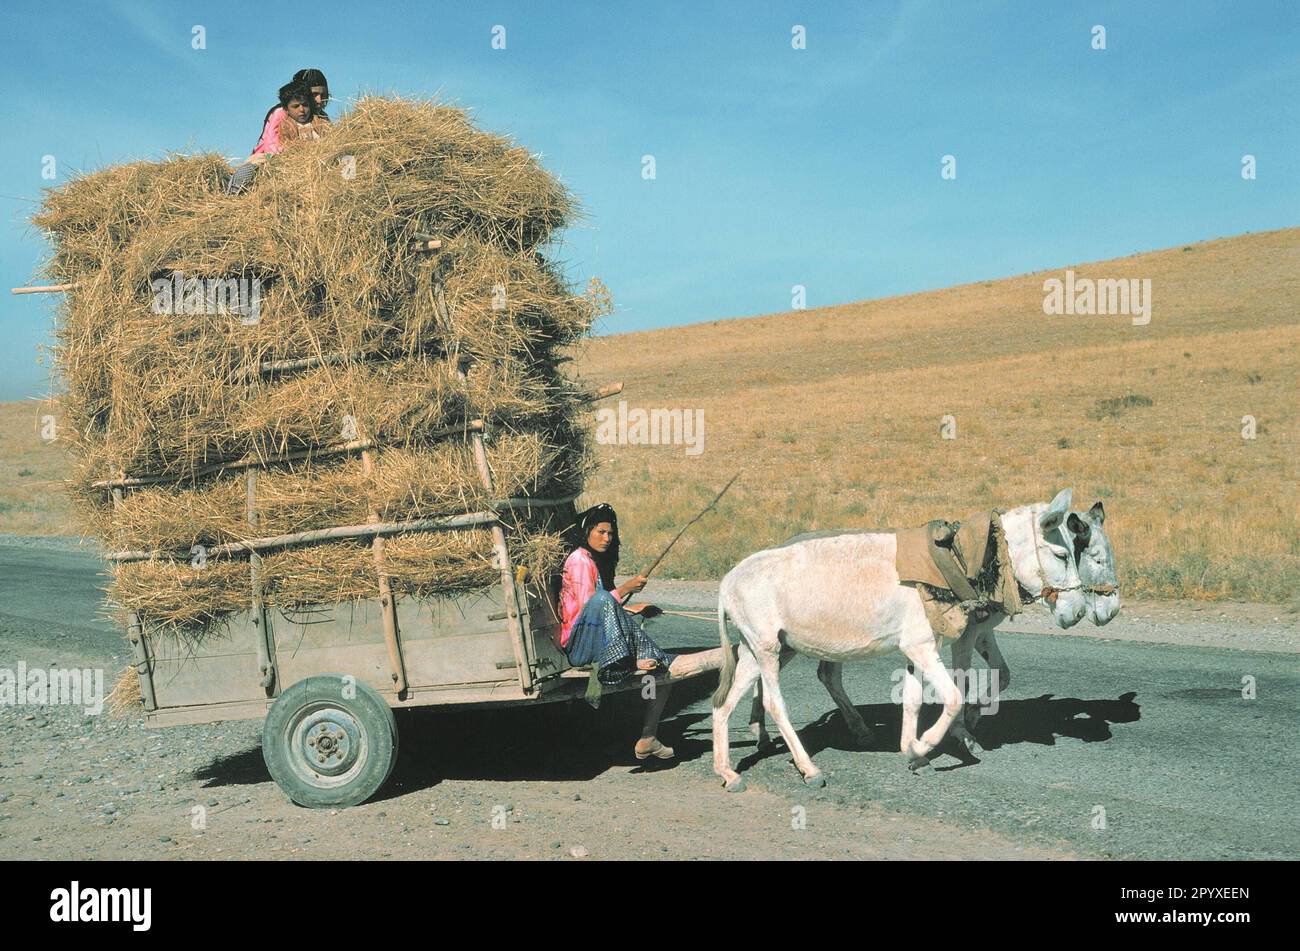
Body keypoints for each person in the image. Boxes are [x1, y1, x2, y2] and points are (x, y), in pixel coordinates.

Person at [557, 503, 677, 761]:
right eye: (600, 532)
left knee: (661, 671)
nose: (606, 538)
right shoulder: (579, 560)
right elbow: (590, 610)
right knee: (602, 599)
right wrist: (624, 589)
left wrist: (633, 607)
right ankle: (626, 661)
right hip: (581, 645)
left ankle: (649, 735)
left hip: (595, 635)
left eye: (610, 534)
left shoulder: (592, 561)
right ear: (587, 531)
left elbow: (600, 610)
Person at [225, 79, 330, 195]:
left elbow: (330, 140)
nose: (302, 110)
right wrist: (288, 156)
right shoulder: (280, 118)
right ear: (286, 109)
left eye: (305, 105)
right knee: (249, 168)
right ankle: (232, 194)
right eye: (295, 106)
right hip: (275, 157)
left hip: (312, 162)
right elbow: (272, 146)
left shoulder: (320, 120)